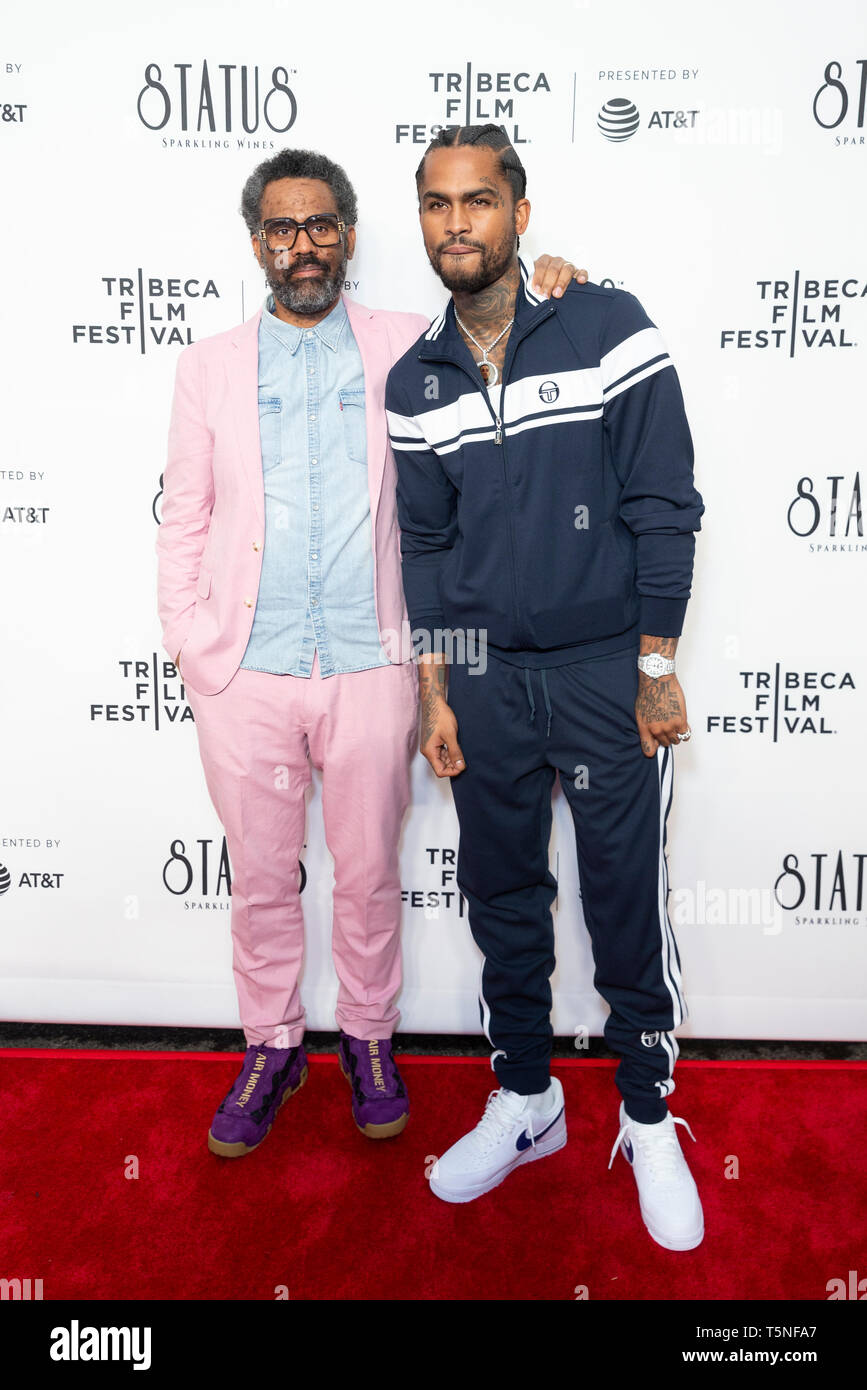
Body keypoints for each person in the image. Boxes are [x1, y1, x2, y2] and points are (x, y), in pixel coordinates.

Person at [156, 146, 586, 1158]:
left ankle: (368, 1038)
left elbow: (503, 327)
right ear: (257, 241)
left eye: (320, 224)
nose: (302, 244)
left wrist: (554, 275)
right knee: (261, 874)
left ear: (349, 235)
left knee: (368, 874)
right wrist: (188, 642)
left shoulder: (407, 342)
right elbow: (185, 516)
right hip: (246, 672)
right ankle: (270, 1044)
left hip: (374, 665)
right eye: (280, 227)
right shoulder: (207, 365)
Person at [385, 125, 706, 1250]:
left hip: (602, 667)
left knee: (624, 897)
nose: (457, 222)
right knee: (503, 897)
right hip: (479, 675)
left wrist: (655, 661)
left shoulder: (607, 324)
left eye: (479, 200)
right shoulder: (412, 378)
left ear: (520, 212)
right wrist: (436, 689)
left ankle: (650, 1111)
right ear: (421, 220)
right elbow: (424, 549)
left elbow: (665, 500)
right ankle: (527, 1097)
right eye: (436, 204)